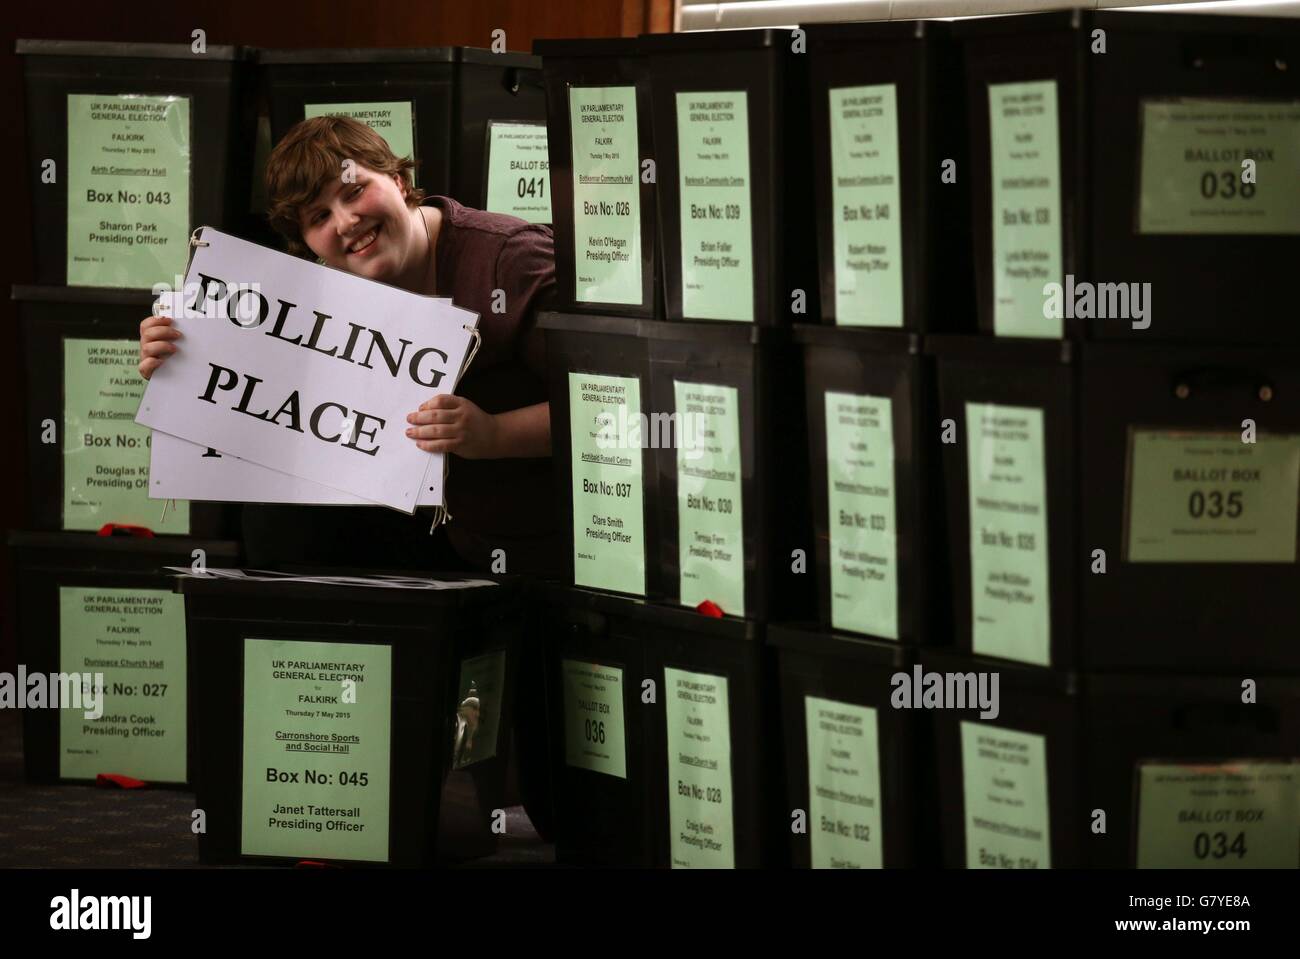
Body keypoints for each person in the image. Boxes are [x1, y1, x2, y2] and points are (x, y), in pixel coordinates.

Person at [138, 116, 559, 575]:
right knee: (275, 522)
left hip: (522, 541)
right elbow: (253, 405)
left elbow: (610, 407)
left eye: (354, 191)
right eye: (319, 218)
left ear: (399, 181)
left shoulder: (510, 260)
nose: (346, 222)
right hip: (422, 525)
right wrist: (181, 357)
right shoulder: (315, 293)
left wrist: (494, 434)